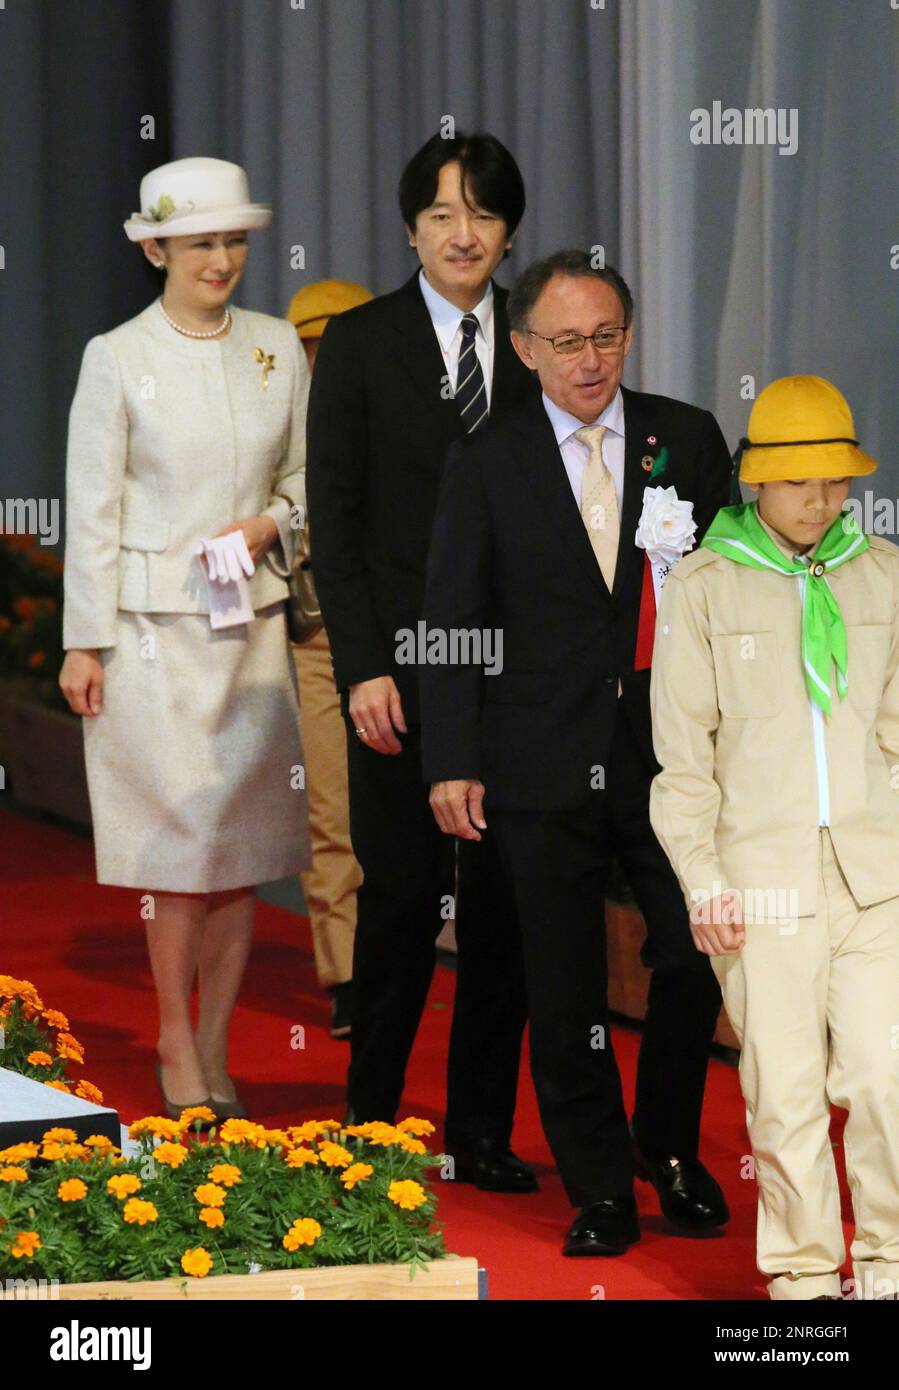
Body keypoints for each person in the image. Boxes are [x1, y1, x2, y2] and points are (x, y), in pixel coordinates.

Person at [421, 248, 731, 1255]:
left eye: (603, 336)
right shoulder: (486, 455)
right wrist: (451, 758)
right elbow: (452, 617)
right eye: (563, 341)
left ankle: (668, 1148)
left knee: (691, 954)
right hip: (532, 759)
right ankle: (598, 1185)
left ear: (626, 336)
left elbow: (725, 593)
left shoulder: (682, 438)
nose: (587, 360)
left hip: (666, 757)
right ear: (521, 348)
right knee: (561, 986)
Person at [306, 132, 538, 1190]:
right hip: (396, 673)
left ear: (506, 231)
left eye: (482, 214)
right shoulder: (358, 343)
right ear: (409, 228)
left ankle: (479, 1130)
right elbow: (337, 523)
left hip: (510, 676)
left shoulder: (539, 340)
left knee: (498, 903)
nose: (463, 232)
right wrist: (361, 665)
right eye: (441, 213)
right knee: (399, 895)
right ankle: (371, 1116)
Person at [59, 157, 311, 1121]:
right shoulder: (115, 356)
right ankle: (171, 1032)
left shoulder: (277, 347)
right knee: (176, 853)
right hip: (148, 634)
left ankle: (215, 1041)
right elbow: (91, 506)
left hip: (247, 626)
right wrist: (85, 642)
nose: (222, 259)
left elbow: (307, 483)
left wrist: (268, 528)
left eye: (233, 240)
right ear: (155, 247)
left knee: (238, 849)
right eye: (201, 241)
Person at [649, 375, 899, 1301]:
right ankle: (801, 1280)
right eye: (800, 482)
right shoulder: (707, 585)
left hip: (876, 879)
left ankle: (886, 1267)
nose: (820, 500)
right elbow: (682, 763)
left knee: (885, 1076)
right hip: (759, 883)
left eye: (834, 481)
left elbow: (893, 729)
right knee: (785, 1095)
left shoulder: (881, 571)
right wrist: (702, 880)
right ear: (756, 480)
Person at [285, 280, 371, 1039]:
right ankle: (347, 975)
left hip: (407, 638)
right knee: (332, 809)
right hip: (316, 637)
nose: (323, 360)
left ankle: (412, 957)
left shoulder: (404, 420)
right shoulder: (271, 434)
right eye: (312, 348)